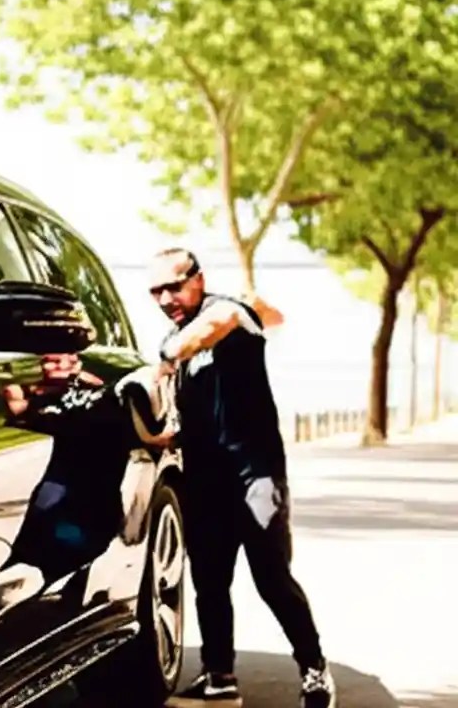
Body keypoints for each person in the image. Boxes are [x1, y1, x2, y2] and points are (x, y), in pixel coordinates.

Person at [147, 247, 335, 707]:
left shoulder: (228, 313)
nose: (166, 297)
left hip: (257, 476)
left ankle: (314, 669)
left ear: (199, 278)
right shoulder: (181, 342)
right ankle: (219, 677)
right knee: (210, 581)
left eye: (174, 285)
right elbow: (188, 417)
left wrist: (166, 354)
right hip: (206, 481)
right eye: (156, 290)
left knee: (271, 576)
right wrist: (159, 435)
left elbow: (207, 332)